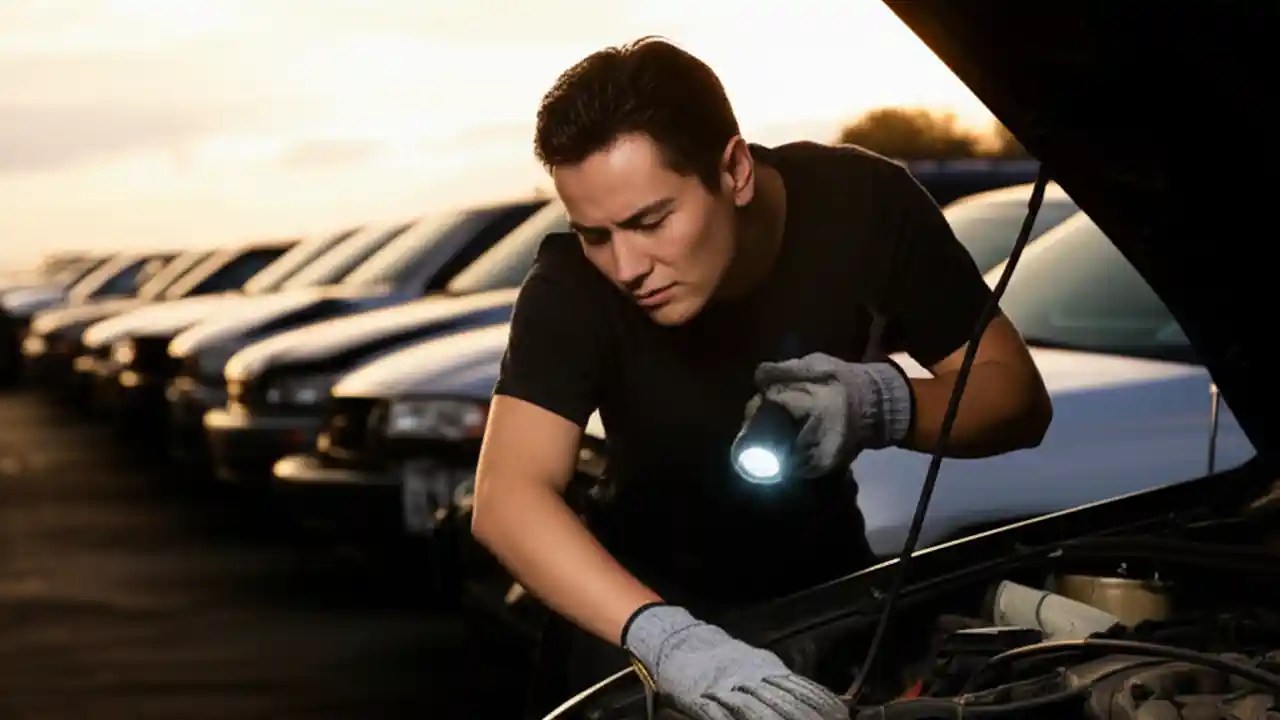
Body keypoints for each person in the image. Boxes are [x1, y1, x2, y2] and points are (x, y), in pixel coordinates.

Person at [471, 36, 1053, 720]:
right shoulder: (570, 283)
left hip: (827, 598)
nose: (625, 266)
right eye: (596, 233)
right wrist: (670, 640)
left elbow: (1017, 397)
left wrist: (885, 405)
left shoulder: (864, 207)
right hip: (632, 612)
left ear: (735, 171)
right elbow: (508, 494)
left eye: (650, 221)